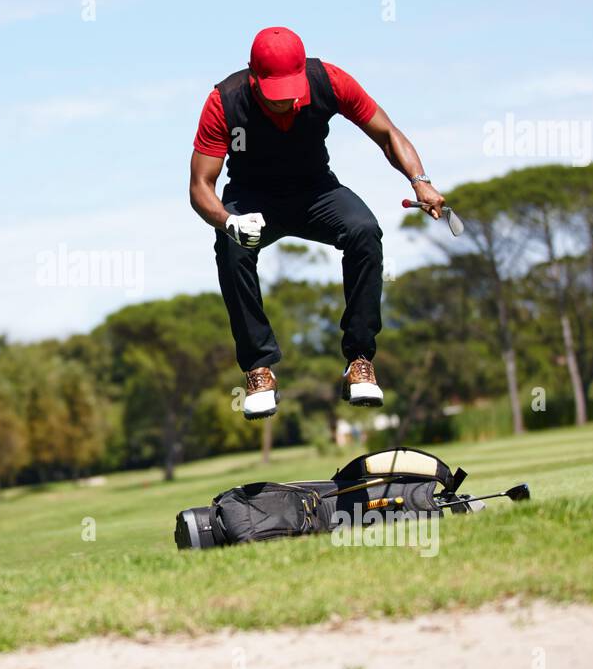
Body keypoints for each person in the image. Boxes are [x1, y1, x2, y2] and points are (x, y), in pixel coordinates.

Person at [189, 26, 446, 419]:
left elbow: (387, 134)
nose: (285, 102)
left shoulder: (329, 81)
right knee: (231, 248)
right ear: (253, 76)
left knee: (363, 230)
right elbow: (200, 186)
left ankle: (359, 361)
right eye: (274, 94)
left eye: (290, 91)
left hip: (316, 191)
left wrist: (420, 180)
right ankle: (258, 369)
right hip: (252, 198)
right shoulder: (224, 101)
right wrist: (227, 222)